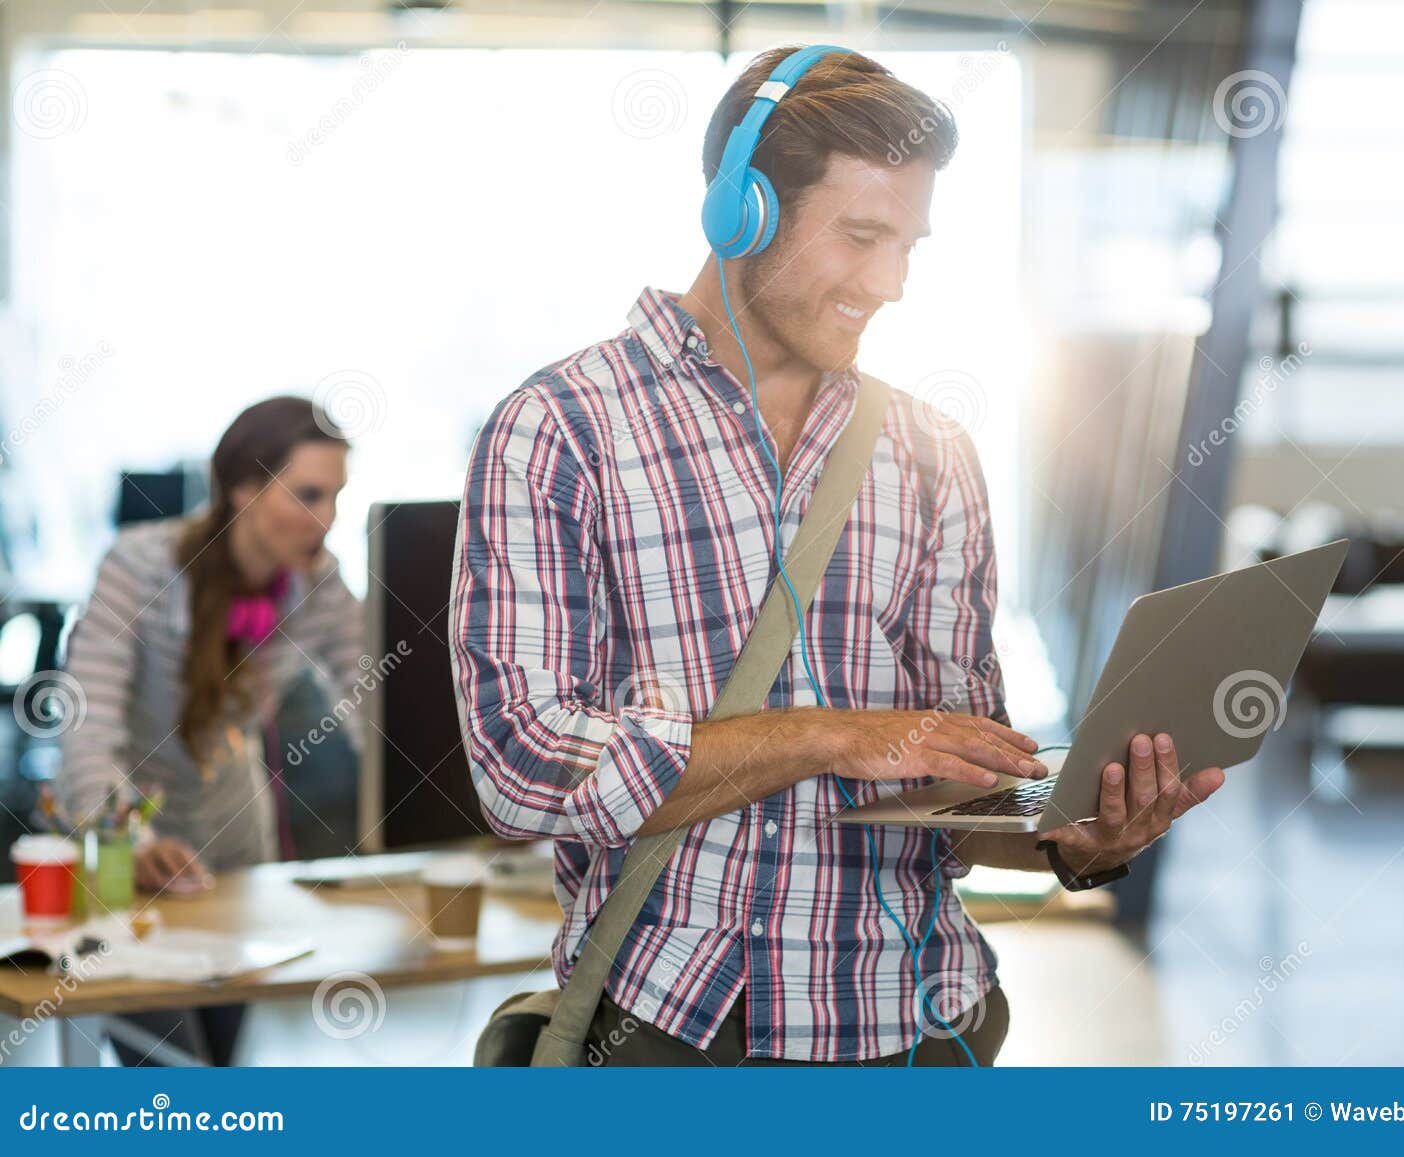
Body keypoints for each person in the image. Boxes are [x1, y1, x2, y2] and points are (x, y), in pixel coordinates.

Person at [450, 45, 1226, 1067]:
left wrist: (1073, 835)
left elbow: (948, 783)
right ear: (743, 214)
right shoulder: (560, 430)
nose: (891, 282)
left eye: (908, 244)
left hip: (923, 1024)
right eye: (862, 236)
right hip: (677, 1033)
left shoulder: (933, 447)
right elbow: (522, 764)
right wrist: (827, 734)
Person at [58, 394, 367, 1065]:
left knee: (219, 1075)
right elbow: (88, 727)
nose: (327, 519)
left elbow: (379, 703)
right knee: (172, 1072)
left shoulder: (315, 582)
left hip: (233, 861)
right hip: (130, 864)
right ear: (243, 490)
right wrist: (132, 837)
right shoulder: (139, 564)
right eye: (309, 494)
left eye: (337, 496)